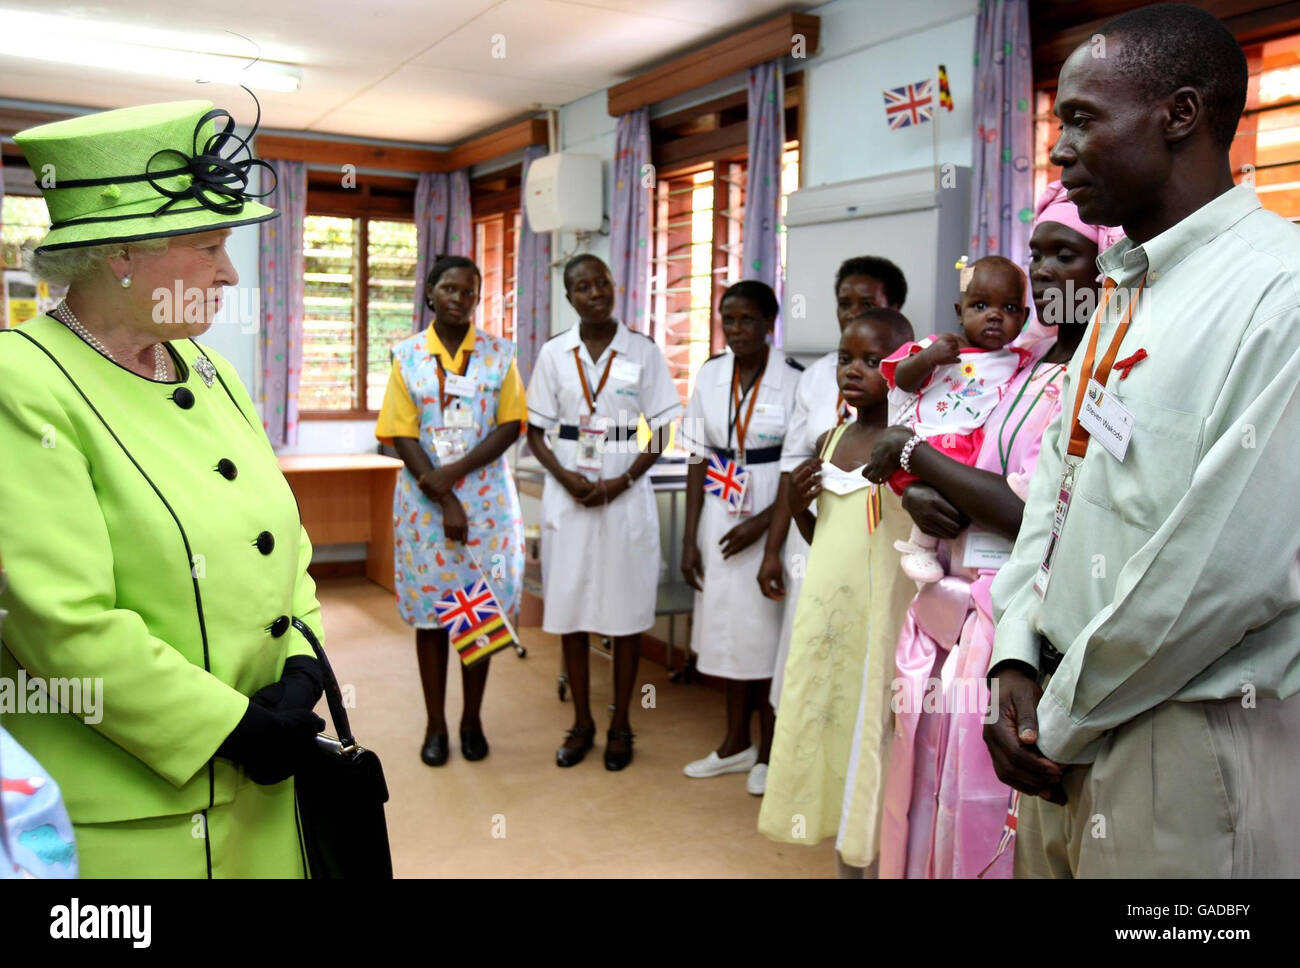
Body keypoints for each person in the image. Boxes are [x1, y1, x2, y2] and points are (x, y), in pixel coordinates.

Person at [986, 3, 1300, 878]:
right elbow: (1057, 484)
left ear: (1181, 115)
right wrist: (1015, 649)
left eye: (1082, 118)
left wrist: (1059, 712)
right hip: (1057, 720)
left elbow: (1222, 573)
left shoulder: (1279, 294)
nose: (1057, 150)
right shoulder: (1125, 288)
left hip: (1182, 743)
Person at [0, 99, 326, 877]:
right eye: (210, 245)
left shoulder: (211, 372)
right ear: (120, 254)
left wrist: (304, 665)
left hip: (263, 787)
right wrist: (229, 728)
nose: (231, 272)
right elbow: (60, 622)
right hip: (136, 809)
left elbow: (284, 540)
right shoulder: (22, 381)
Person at [863, 182, 1118, 879]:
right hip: (960, 599)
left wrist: (915, 459)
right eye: (1035, 254)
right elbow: (948, 428)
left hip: (1020, 614)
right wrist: (913, 491)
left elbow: (1032, 508)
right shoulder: (1026, 359)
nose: (1039, 274)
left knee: (988, 802)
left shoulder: (1102, 369)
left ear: (1106, 266)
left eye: (1063, 256)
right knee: (935, 779)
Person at [757, 309, 914, 848]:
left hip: (881, 608)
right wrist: (800, 506)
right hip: (829, 612)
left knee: (875, 725)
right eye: (846, 358)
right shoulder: (830, 438)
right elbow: (819, 534)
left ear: (902, 363)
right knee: (827, 715)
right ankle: (837, 833)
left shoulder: (909, 442)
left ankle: (872, 845)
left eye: (872, 360)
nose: (854, 370)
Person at [525, 254, 680, 770]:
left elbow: (661, 429)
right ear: (569, 297)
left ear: (614, 287)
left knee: (627, 608)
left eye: (602, 283)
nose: (595, 293)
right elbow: (534, 431)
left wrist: (623, 480)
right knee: (569, 605)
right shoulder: (553, 353)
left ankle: (621, 725)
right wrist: (566, 477)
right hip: (568, 484)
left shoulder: (642, 350)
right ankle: (582, 724)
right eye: (582, 287)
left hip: (624, 483)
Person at [375, 254, 526, 766]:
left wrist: (452, 476)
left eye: (470, 292)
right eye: (450, 289)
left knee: (476, 610)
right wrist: (439, 490)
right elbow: (401, 430)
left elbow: (510, 425)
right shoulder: (407, 355)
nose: (460, 299)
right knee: (433, 617)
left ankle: (471, 720)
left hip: (485, 504)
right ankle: (436, 724)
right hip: (424, 504)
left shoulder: (499, 356)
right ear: (430, 295)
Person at [758, 256, 908, 713]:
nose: (853, 312)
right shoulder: (818, 376)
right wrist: (772, 548)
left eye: (867, 303)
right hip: (816, 539)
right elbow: (794, 467)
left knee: (871, 662)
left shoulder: (914, 379)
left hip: (880, 545)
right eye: (845, 303)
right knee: (808, 648)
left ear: (894, 307)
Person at [680, 280, 801, 795]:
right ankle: (734, 745)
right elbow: (694, 455)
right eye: (728, 320)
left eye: (747, 320)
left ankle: (769, 754)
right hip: (718, 509)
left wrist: (763, 522)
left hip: (776, 512)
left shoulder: (793, 379)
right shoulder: (711, 374)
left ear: (770, 323)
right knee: (725, 630)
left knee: (768, 632)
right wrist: (688, 538)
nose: (736, 330)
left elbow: (805, 465)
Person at [880, 257, 1030, 583]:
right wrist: (927, 359)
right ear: (959, 312)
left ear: (1025, 318)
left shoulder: (1018, 362)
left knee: (956, 495)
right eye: (980, 305)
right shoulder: (940, 347)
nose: (994, 315)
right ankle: (919, 547)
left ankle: (932, 554)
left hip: (969, 447)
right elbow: (901, 379)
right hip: (929, 438)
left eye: (1009, 308)